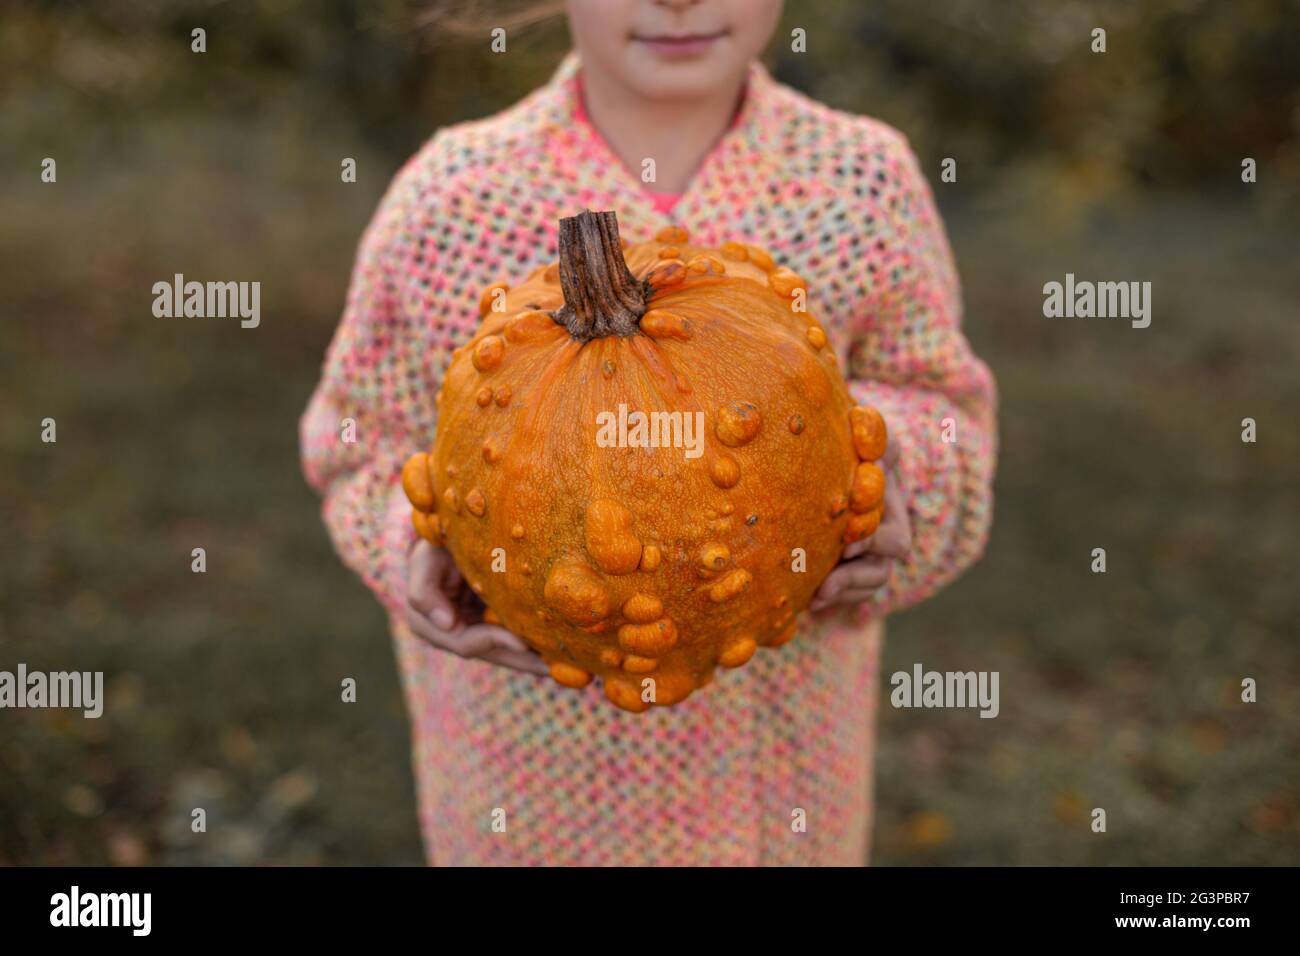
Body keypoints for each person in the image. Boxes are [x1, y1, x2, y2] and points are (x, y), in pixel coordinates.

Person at [301, 0, 997, 865]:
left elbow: (944, 405)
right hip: (523, 789)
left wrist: (901, 471)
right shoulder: (450, 202)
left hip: (778, 792)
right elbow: (359, 440)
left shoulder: (859, 181)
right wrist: (411, 538)